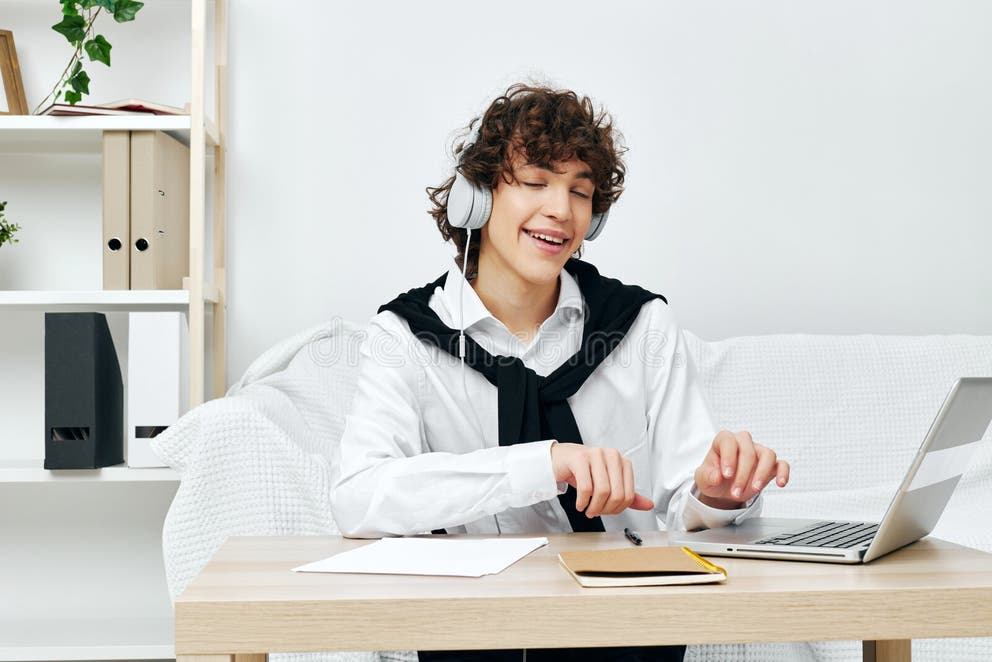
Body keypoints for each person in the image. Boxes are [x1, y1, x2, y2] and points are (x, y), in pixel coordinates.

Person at [331, 83, 790, 662]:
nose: (560, 210)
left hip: (629, 638)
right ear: (476, 198)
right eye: (535, 182)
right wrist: (542, 463)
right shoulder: (405, 337)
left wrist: (718, 496)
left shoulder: (641, 326)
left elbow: (685, 513)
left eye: (580, 192)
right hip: (474, 637)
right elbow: (359, 499)